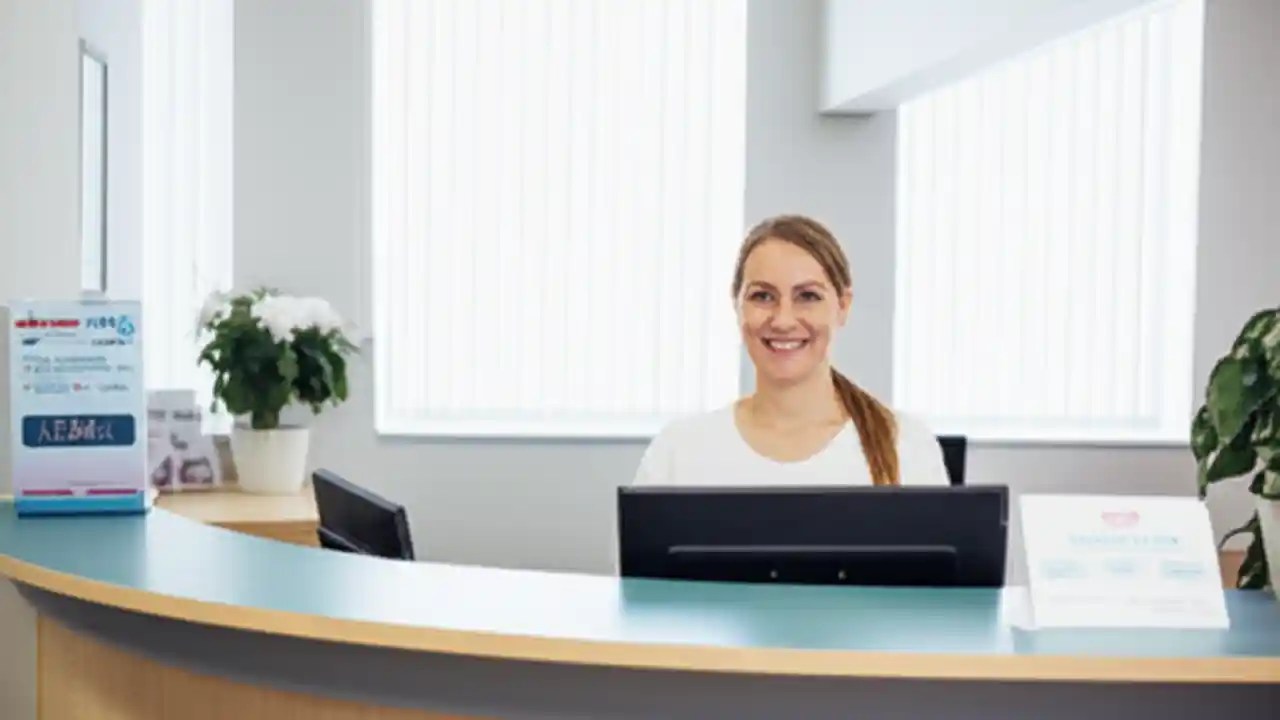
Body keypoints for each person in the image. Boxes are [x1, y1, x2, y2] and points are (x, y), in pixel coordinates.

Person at [632, 214, 949, 488]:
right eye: (763, 296)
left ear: (843, 306)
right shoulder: (678, 453)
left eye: (808, 296)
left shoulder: (907, 447)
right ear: (737, 305)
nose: (783, 320)